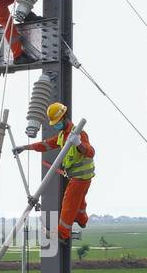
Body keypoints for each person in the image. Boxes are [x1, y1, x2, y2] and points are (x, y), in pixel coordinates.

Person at [14, 101, 94, 242]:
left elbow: (90, 152)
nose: (56, 125)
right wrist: (25, 147)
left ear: (64, 117)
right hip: (82, 177)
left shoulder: (78, 134)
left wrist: (78, 144)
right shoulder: (63, 136)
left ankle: (63, 234)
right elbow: (45, 145)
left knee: (69, 204)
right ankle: (82, 220)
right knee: (79, 202)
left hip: (79, 178)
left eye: (57, 122)